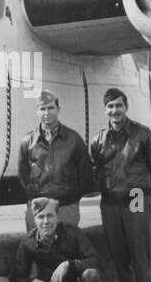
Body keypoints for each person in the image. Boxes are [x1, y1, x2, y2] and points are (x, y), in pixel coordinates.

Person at [90, 87, 151, 282]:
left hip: (135, 197)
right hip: (111, 201)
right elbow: (95, 171)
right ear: (105, 110)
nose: (115, 111)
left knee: (140, 258)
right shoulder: (98, 141)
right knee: (121, 261)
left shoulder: (143, 135)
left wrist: (142, 192)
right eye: (110, 106)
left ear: (126, 107)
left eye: (119, 105)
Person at [17, 89, 94, 231]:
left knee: (66, 251)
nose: (46, 113)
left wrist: (70, 199)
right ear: (37, 111)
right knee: (38, 250)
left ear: (58, 109)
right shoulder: (27, 142)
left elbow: (85, 175)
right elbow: (23, 176)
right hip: (37, 210)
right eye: (43, 109)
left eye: (50, 108)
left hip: (65, 208)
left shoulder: (74, 140)